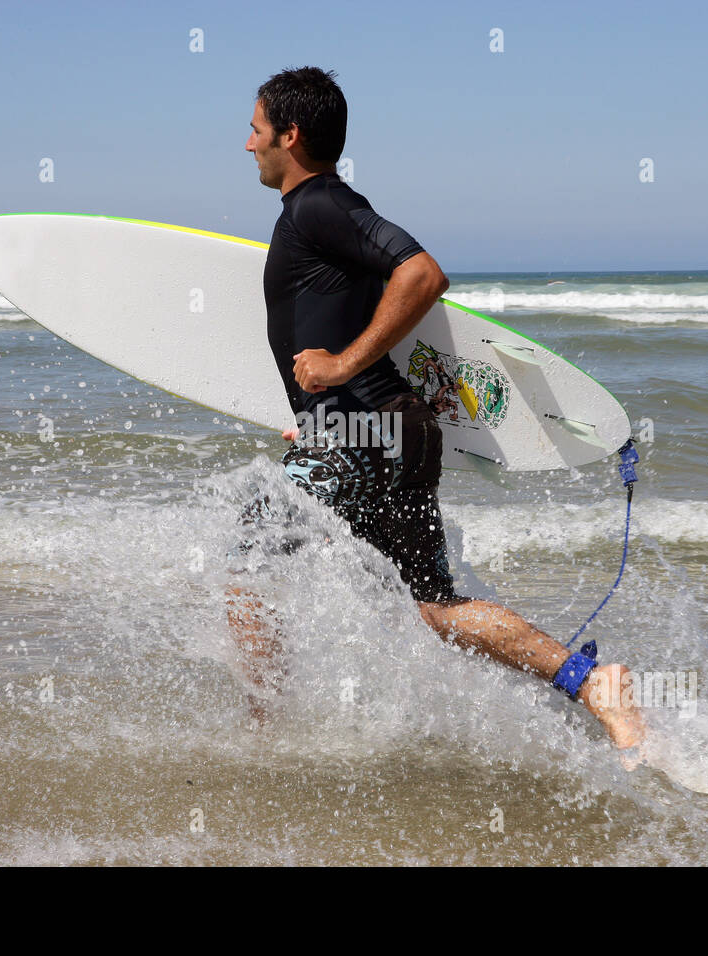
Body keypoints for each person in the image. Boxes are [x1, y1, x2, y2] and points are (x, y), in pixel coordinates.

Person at [226, 66, 645, 754]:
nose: (248, 145)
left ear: (290, 135)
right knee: (434, 608)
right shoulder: (319, 214)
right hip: (384, 430)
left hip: (363, 429)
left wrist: (340, 370)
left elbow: (422, 275)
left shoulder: (318, 207)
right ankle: (591, 683)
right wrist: (318, 411)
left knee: (247, 564)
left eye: (255, 129)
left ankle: (265, 734)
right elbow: (354, 304)